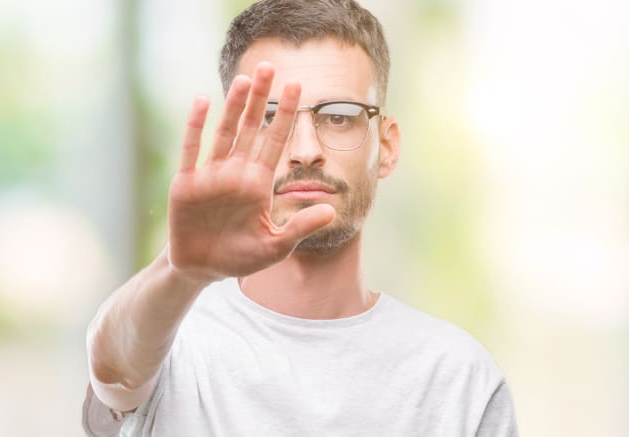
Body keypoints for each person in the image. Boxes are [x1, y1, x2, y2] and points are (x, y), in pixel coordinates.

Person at [82, 0, 518, 435]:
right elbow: (113, 372)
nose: (305, 151)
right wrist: (181, 273)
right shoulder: (168, 344)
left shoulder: (459, 380)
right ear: (235, 139)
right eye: (271, 118)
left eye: (339, 117)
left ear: (386, 147)